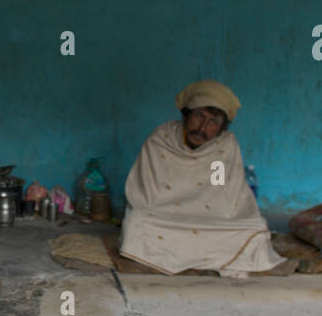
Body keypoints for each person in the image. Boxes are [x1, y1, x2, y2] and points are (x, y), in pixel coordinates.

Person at [117, 79, 290, 277]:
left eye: (213, 123)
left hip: (210, 220)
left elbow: (219, 196)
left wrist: (197, 215)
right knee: (136, 224)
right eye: (199, 116)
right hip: (163, 217)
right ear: (186, 114)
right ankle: (207, 257)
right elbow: (148, 194)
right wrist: (177, 212)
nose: (202, 128)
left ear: (221, 128)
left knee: (256, 230)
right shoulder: (162, 140)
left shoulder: (222, 148)